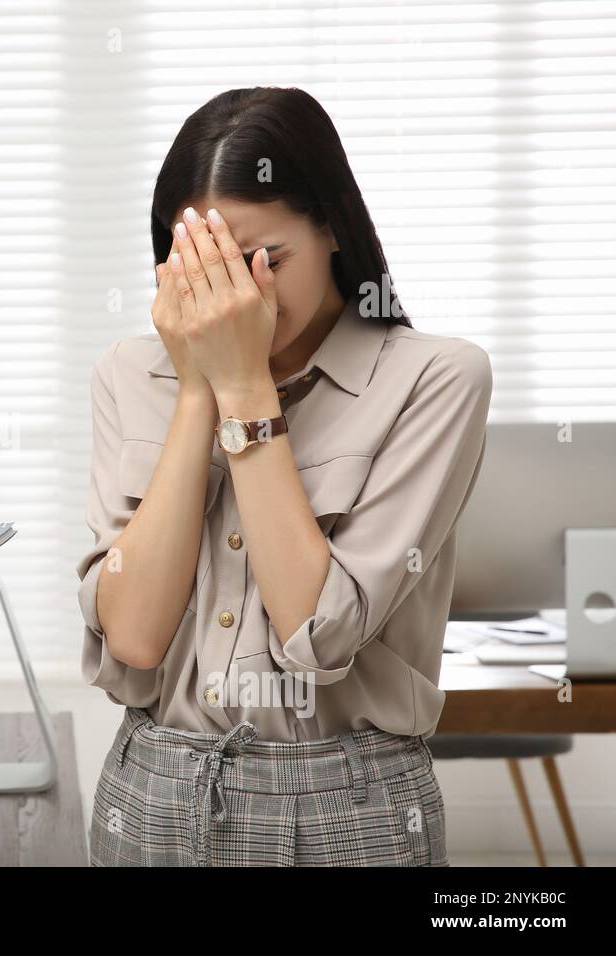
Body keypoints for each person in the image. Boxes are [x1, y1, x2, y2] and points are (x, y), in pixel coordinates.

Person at [80, 86, 492, 866]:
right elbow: (132, 637)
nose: (233, 301)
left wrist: (243, 387)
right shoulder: (126, 374)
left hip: (351, 809)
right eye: (202, 270)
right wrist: (198, 386)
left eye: (261, 262)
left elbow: (315, 631)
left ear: (332, 224)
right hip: (149, 795)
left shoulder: (438, 379)